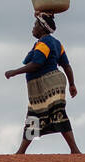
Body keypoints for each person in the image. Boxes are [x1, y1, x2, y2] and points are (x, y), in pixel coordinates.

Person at [5, 13, 81, 154]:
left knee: (57, 113)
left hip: (48, 83)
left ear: (42, 27)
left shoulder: (44, 44)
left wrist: (14, 72)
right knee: (35, 115)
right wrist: (71, 84)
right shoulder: (57, 43)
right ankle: (21, 152)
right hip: (48, 83)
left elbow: (36, 64)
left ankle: (74, 150)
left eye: (35, 25)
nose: (33, 27)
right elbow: (66, 66)